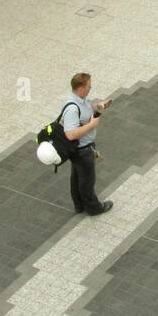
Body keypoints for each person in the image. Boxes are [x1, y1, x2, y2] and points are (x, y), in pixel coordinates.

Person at [61, 72, 114, 216]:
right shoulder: (72, 108)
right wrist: (91, 125)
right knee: (87, 181)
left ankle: (79, 205)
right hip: (82, 150)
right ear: (81, 88)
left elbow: (86, 108)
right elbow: (70, 134)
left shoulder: (78, 99)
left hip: (79, 150)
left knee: (77, 177)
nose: (90, 88)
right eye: (89, 87)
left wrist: (98, 106)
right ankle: (94, 208)